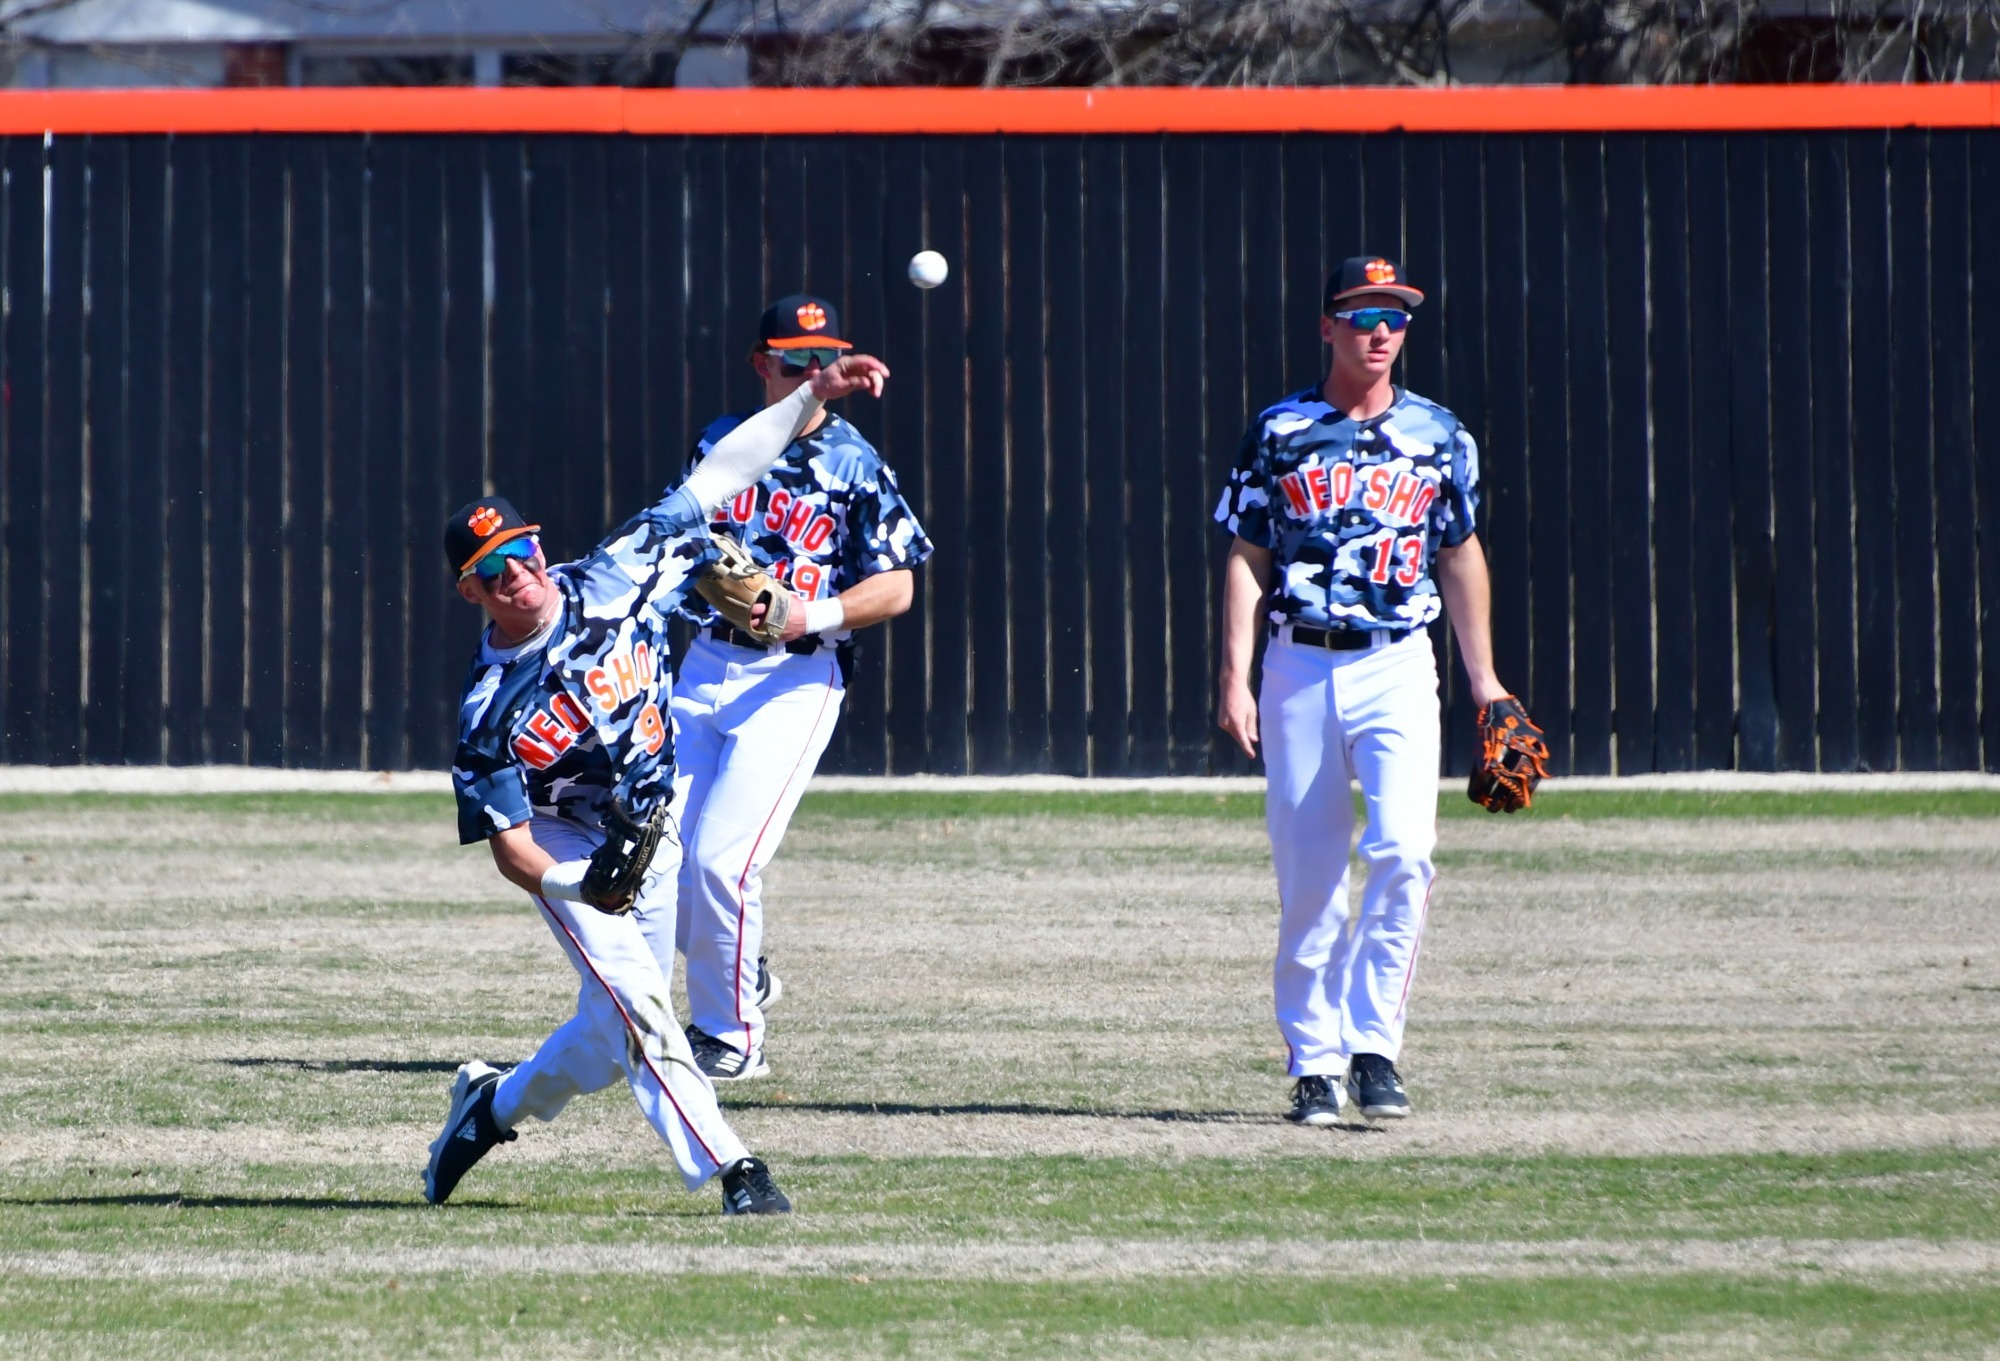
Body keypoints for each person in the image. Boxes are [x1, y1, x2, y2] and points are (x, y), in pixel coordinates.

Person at [423, 353, 889, 1213]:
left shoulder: (620, 569)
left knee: (605, 1041)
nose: (515, 573)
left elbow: (723, 472)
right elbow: (512, 848)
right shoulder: (488, 707)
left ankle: (489, 1108)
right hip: (570, 844)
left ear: (541, 545)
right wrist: (574, 882)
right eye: (491, 569)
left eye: (519, 549)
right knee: (642, 1010)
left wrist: (808, 398)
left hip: (651, 821)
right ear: (469, 592)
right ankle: (735, 1169)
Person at [1212, 255, 1519, 1126]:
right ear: (1326, 326)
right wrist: (1233, 677)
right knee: (1311, 878)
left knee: (1403, 852)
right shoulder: (1279, 429)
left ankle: (1374, 1046)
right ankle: (1314, 1059)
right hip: (1299, 664)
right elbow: (1247, 553)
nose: (1379, 330)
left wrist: (1484, 679)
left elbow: (1459, 552)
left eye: (1395, 315)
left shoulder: (1439, 433)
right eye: (1360, 314)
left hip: (1397, 661)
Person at [672, 293, 932, 1081]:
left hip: (797, 673)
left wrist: (806, 615)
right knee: (661, 860)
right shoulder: (720, 442)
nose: (814, 372)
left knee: (723, 863)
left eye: (825, 359)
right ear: (762, 364)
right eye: (797, 359)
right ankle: (743, 974)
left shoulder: (853, 461)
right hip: (705, 661)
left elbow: (899, 586)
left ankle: (731, 1037)